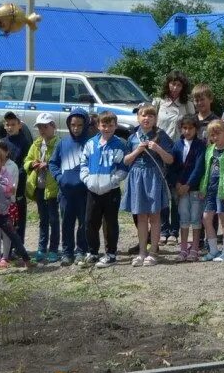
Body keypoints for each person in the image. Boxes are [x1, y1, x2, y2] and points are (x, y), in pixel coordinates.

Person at [124, 104, 172, 266]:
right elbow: (126, 160)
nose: (147, 118)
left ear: (155, 119)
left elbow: (170, 160)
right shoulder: (132, 137)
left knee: (155, 216)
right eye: (144, 115)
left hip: (153, 176)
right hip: (137, 177)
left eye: (151, 116)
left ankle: (153, 251)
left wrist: (158, 149)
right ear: (138, 118)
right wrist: (137, 150)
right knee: (141, 216)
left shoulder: (161, 135)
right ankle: (142, 251)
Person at [82, 111, 131, 267]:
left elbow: (123, 168)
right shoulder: (90, 143)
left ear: (116, 126)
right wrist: (86, 180)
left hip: (111, 191)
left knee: (110, 223)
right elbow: (83, 163)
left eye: (111, 125)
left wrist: (113, 181)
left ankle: (110, 254)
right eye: (104, 125)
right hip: (92, 190)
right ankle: (93, 252)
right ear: (98, 126)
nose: (107, 128)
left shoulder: (120, 144)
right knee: (90, 221)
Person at [0, 144, 31, 274]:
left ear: (1, 160)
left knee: (13, 235)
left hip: (3, 211)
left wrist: (6, 188)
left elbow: (10, 189)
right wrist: (6, 188)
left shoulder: (6, 171)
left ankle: (26, 259)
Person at [53, 108, 92, 265]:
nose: (76, 128)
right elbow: (53, 163)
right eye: (73, 125)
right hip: (66, 193)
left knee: (83, 223)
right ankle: (67, 252)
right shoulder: (63, 143)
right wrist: (60, 178)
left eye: (80, 125)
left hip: (84, 193)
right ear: (69, 125)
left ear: (86, 125)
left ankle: (81, 251)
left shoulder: (90, 143)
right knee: (67, 223)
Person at [155, 72, 191, 242]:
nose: (175, 88)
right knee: (161, 191)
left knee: (176, 192)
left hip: (179, 152)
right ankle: (163, 229)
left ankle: (175, 231)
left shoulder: (187, 105)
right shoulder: (158, 103)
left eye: (179, 85)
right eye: (172, 84)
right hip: (160, 151)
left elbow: (192, 126)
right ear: (167, 84)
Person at [200, 119, 224, 262]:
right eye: (212, 135)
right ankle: (213, 250)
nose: (215, 137)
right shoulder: (210, 149)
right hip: (210, 188)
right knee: (206, 218)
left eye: (218, 133)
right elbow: (206, 170)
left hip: (222, 190)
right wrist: (202, 188)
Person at [25, 112, 61, 263]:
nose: (42, 130)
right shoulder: (36, 144)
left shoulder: (59, 144)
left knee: (53, 219)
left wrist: (49, 165)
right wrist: (32, 164)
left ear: (53, 127)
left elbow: (62, 164)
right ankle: (41, 248)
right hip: (39, 187)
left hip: (52, 189)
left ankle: (53, 249)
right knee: (43, 219)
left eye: (45, 126)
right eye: (40, 127)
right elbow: (27, 160)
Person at [0, 111, 33, 254]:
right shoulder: (3, 143)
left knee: (19, 217)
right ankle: (7, 248)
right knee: (6, 217)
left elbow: (26, 163)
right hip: (3, 187)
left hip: (19, 186)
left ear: (19, 125)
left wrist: (16, 175)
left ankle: (19, 246)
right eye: (7, 124)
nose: (10, 127)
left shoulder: (25, 142)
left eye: (13, 124)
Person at [171, 114, 207, 261]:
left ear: (196, 129)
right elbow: (172, 166)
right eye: (184, 128)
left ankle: (195, 249)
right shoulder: (177, 145)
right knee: (184, 218)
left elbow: (199, 168)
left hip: (195, 188)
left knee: (195, 218)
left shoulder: (200, 145)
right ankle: (183, 248)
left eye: (190, 128)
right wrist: (177, 183)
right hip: (181, 188)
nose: (187, 131)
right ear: (181, 129)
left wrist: (189, 184)